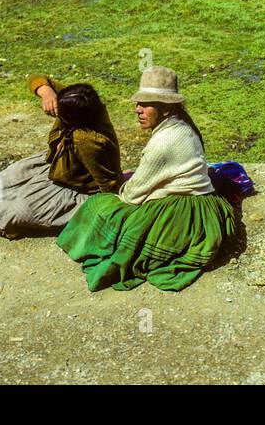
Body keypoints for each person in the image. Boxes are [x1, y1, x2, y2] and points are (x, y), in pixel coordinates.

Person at [56, 66, 240, 291]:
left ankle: (88, 244)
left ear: (164, 108)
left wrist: (118, 192)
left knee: (100, 206)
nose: (137, 110)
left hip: (184, 212)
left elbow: (132, 196)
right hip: (206, 207)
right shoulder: (183, 124)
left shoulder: (162, 143)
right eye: (137, 104)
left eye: (145, 105)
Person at [0, 77, 122, 238]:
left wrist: (106, 210)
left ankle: (10, 224)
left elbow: (108, 183)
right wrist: (47, 92)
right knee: (5, 180)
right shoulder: (79, 99)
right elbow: (36, 78)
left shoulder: (86, 140)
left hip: (76, 187)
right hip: (58, 164)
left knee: (20, 212)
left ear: (73, 120)